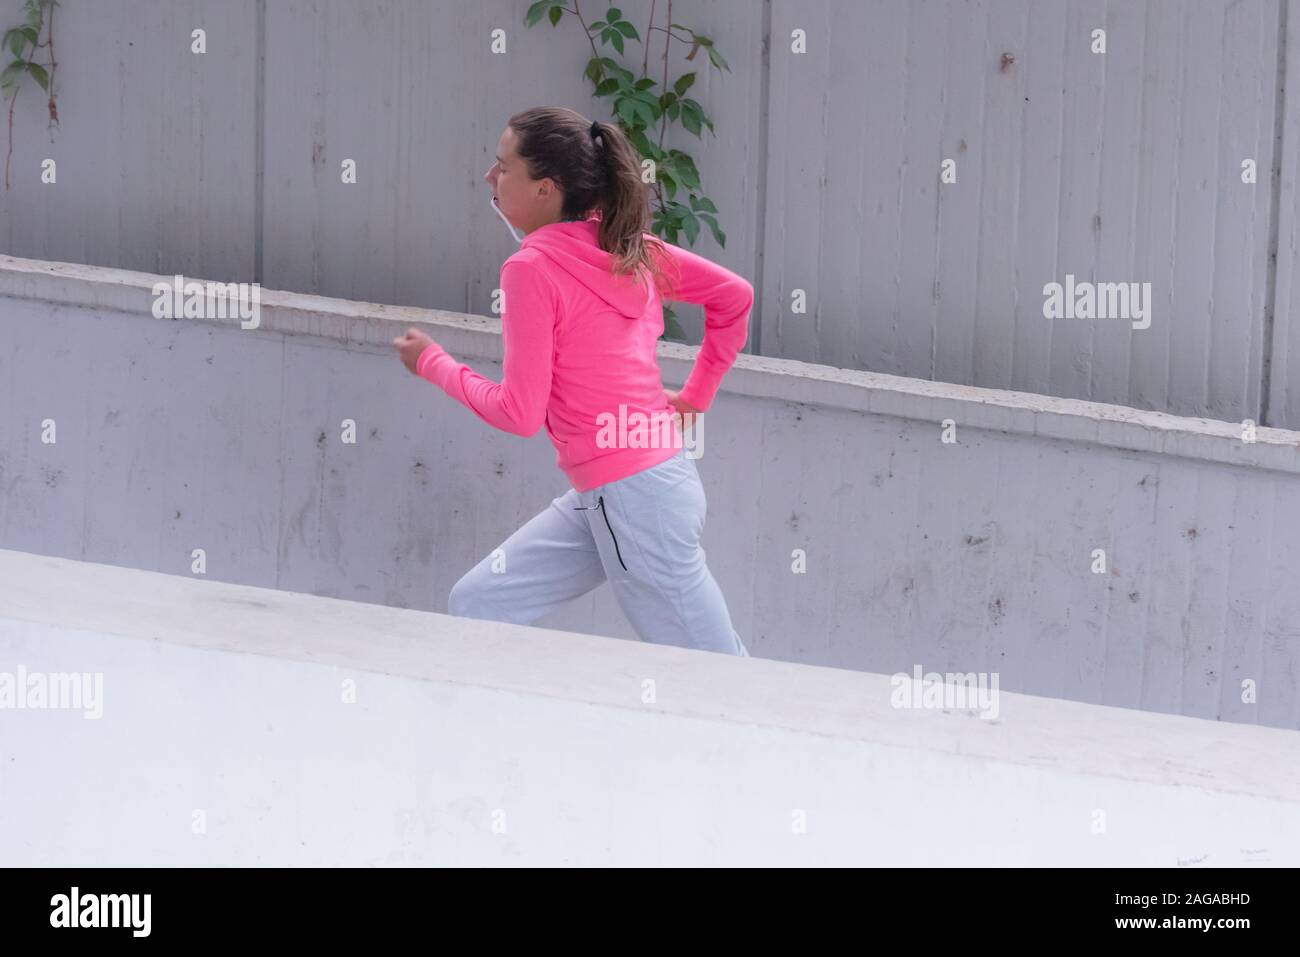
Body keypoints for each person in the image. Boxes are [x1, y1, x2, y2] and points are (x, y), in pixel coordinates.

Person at [393, 106, 752, 656]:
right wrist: (695, 398)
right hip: (623, 493)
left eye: (503, 167)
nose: (490, 178)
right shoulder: (630, 249)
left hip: (635, 501)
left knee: (718, 675)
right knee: (479, 604)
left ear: (545, 189)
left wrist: (435, 365)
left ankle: (781, 742)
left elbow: (520, 413)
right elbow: (735, 296)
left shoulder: (532, 268)